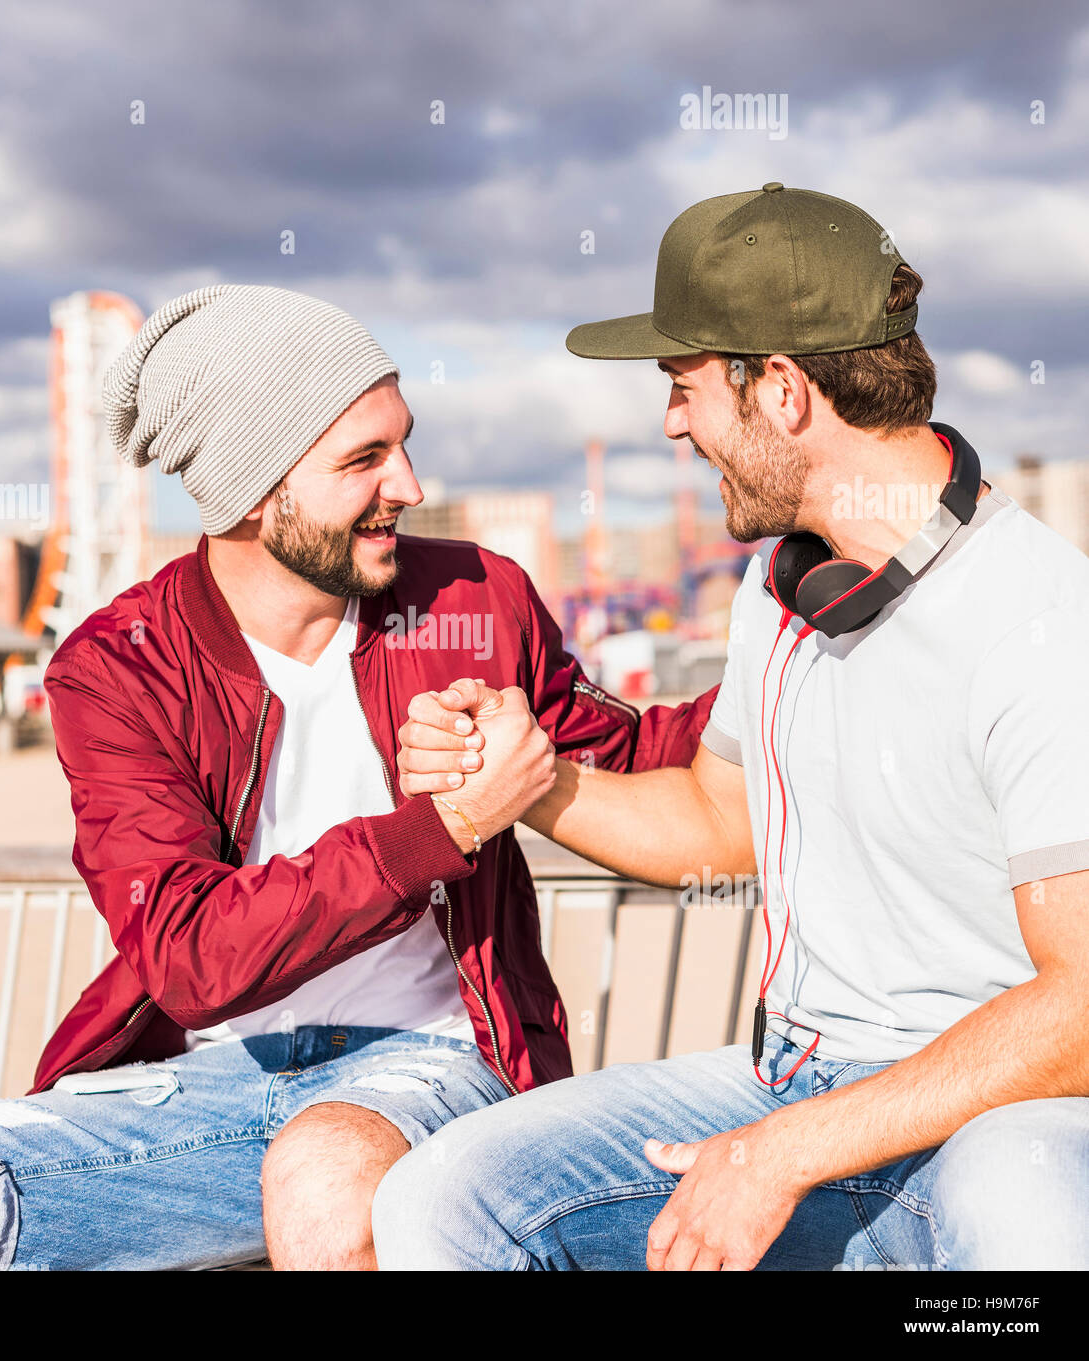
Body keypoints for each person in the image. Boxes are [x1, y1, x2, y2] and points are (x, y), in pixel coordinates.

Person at [0, 285, 713, 1271]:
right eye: (362, 458)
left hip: (440, 1062)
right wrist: (441, 826)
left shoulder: (474, 597)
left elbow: (642, 750)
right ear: (253, 489)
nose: (407, 480)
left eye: (400, 441)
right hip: (208, 1079)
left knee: (322, 1168)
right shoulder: (116, 664)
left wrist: (819, 632)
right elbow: (189, 958)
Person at [374, 183, 1089, 1271]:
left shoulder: (1037, 619)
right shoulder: (779, 584)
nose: (669, 422)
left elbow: (1081, 1000)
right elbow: (717, 818)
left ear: (785, 390)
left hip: (995, 1111)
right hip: (791, 1076)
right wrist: (523, 775)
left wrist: (782, 1153)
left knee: (1027, 1210)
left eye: (682, 384)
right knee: (445, 1196)